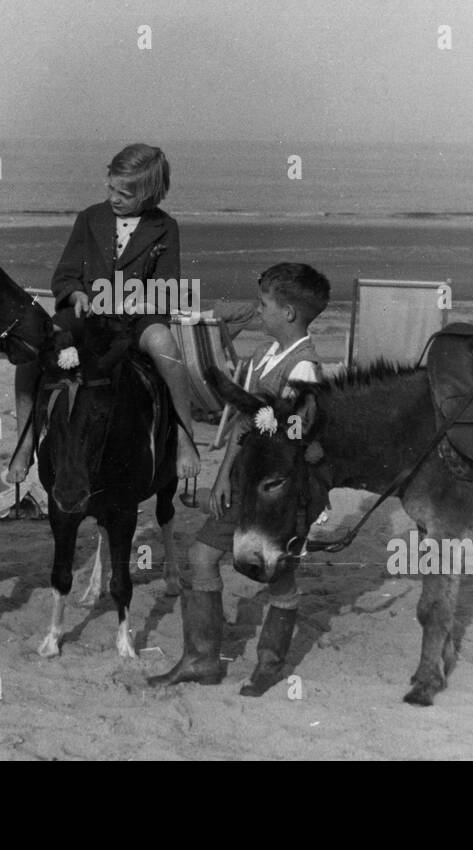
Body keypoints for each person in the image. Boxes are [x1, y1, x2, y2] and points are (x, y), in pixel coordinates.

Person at [150, 262, 331, 697]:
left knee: (277, 573)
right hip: (247, 482)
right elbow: (241, 426)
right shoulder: (263, 356)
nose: (259, 311)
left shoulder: (304, 368)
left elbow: (293, 436)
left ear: (289, 313)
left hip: (279, 492)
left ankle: (267, 661)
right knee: (202, 556)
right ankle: (202, 659)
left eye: (265, 305)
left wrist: (260, 430)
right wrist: (225, 476)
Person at [6, 143, 202, 485]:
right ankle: (23, 442)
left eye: (124, 193)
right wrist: (77, 292)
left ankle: (185, 436)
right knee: (31, 347)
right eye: (110, 187)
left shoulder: (164, 227)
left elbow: (167, 285)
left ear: (149, 193)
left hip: (137, 318)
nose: (114, 197)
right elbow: (64, 274)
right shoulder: (90, 218)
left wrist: (135, 303)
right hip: (87, 312)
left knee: (166, 345)